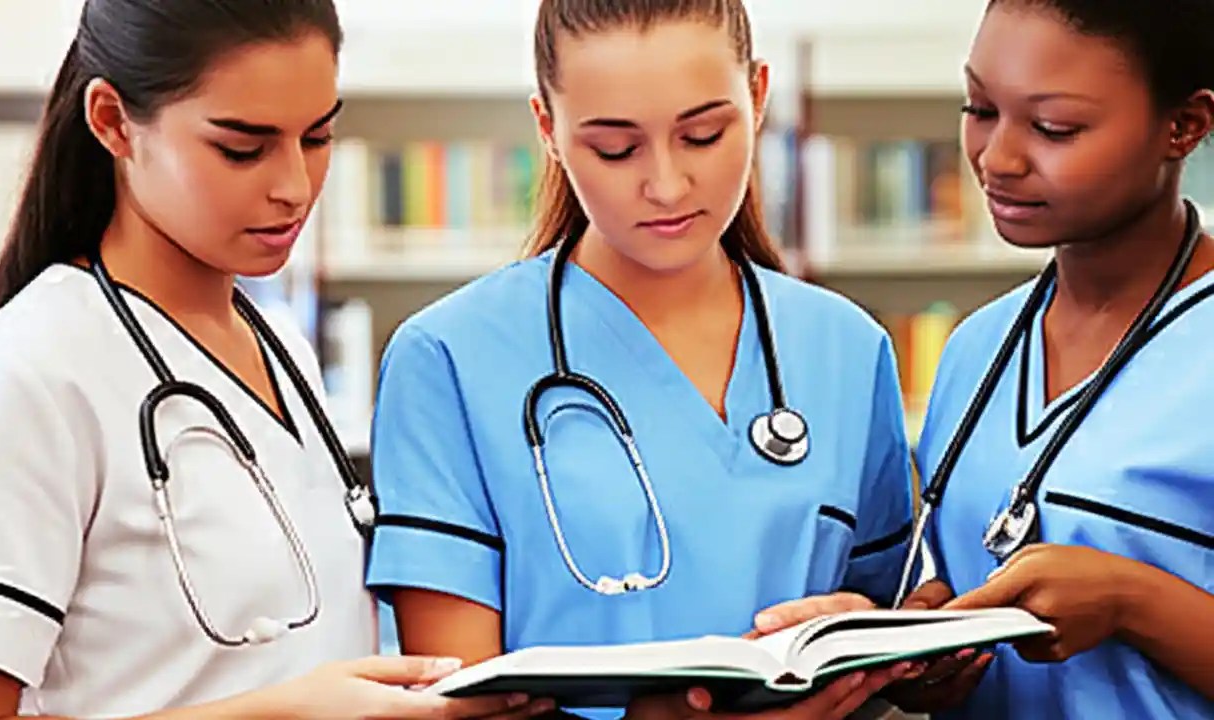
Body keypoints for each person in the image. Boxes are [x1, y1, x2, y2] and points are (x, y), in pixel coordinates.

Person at [0, 2, 557, 719]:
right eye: (242, 149)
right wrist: (288, 712)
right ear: (111, 122)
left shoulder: (278, 347)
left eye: (318, 136)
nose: (294, 186)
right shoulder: (25, 375)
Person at [362, 1, 916, 718]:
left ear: (757, 96)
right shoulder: (447, 359)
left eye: (704, 135)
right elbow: (451, 700)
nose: (667, 185)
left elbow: (885, 611)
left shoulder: (845, 348)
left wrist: (861, 633)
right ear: (548, 131)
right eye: (616, 149)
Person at [889, 0, 1214, 717]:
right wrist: (928, 653)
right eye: (979, 109)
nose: (996, 159)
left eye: (1053, 128)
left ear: (1184, 126)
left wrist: (1135, 600)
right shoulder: (974, 348)